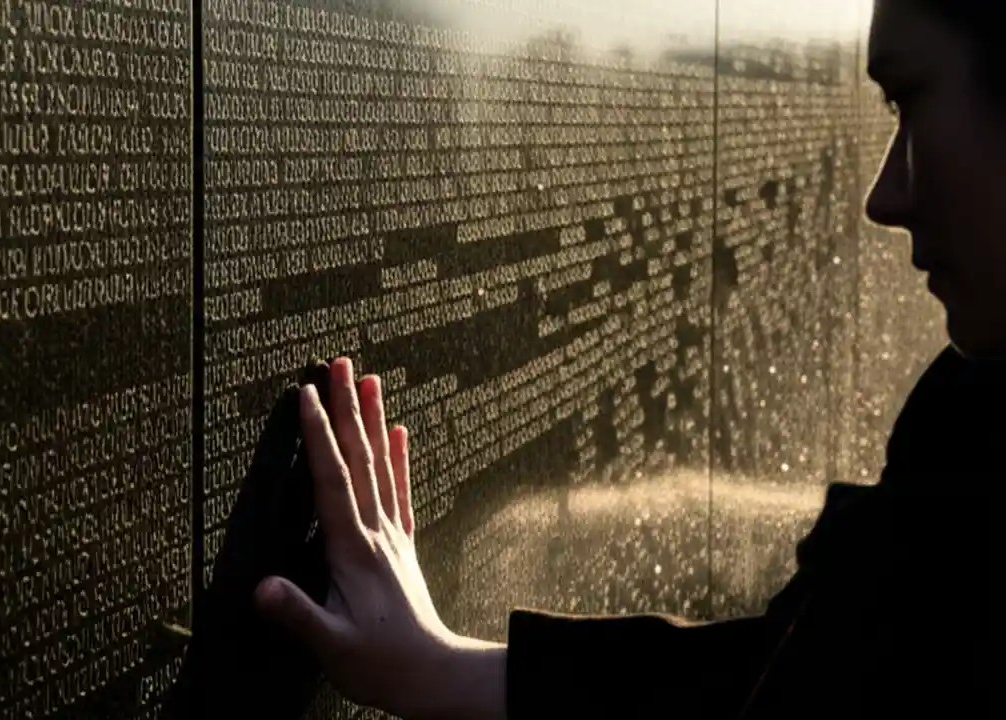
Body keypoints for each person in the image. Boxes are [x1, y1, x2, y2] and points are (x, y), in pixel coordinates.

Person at [251, 1, 1003, 718]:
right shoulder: (968, 409)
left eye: (909, 99)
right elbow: (823, 675)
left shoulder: (969, 419)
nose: (884, 195)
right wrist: (446, 668)